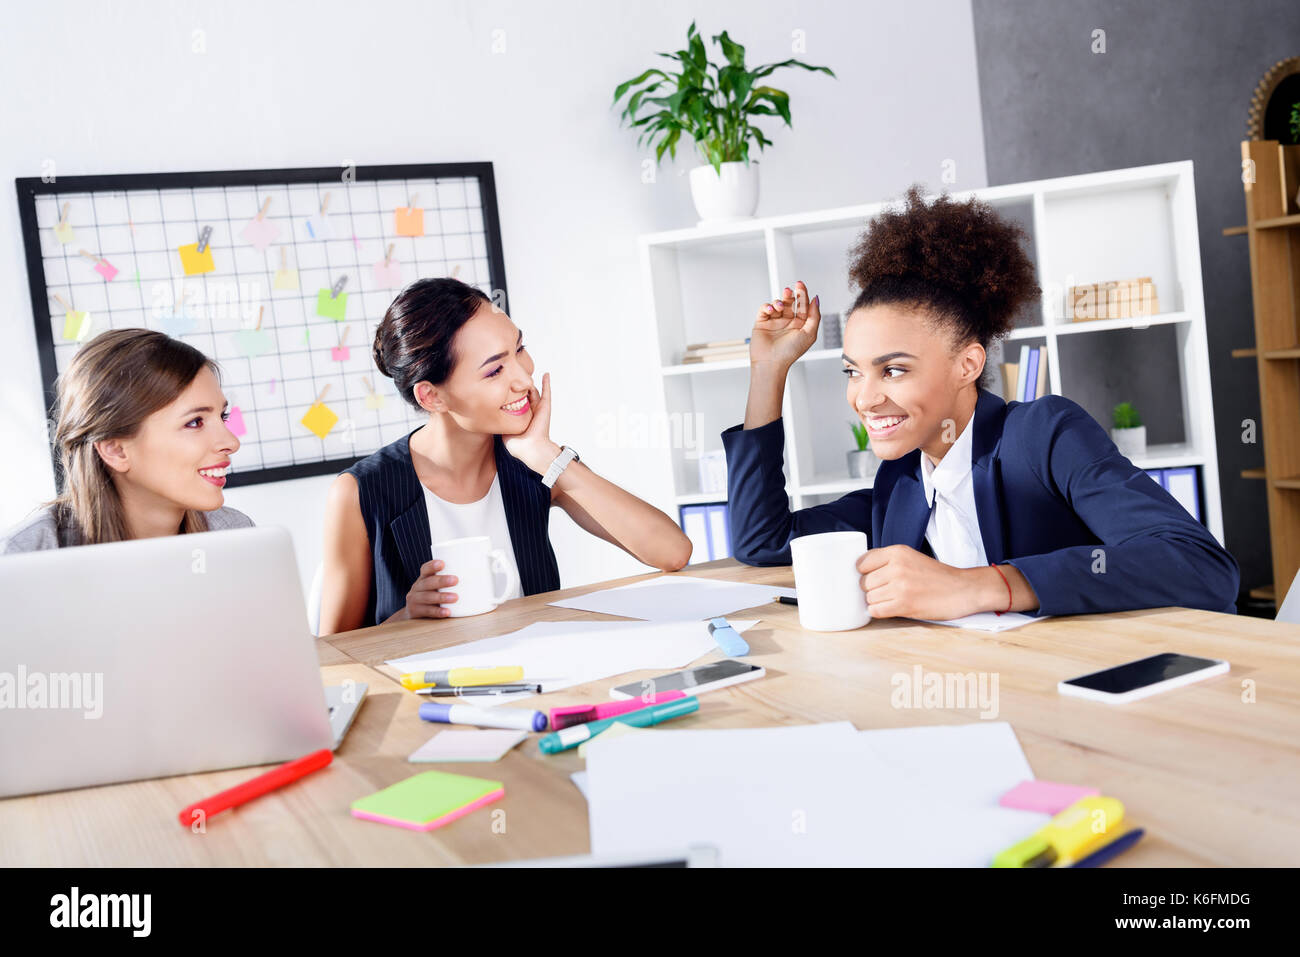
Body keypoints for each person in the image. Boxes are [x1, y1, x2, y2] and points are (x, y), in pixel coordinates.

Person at [723, 186, 1238, 619]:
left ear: (967, 365)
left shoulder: (1043, 435)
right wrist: (768, 372)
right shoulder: (900, 481)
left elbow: (1201, 567)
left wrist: (978, 585)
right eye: (853, 372)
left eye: (894, 369)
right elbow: (763, 542)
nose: (866, 397)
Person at [320, 277, 692, 632]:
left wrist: (546, 456)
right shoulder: (362, 491)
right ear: (432, 396)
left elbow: (672, 552)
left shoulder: (534, 464)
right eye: (495, 369)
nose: (524, 379)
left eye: (520, 349)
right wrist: (406, 618)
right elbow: (334, 656)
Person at [1, 328, 251, 553]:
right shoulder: (24, 556)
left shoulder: (236, 535)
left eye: (223, 416)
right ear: (115, 450)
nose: (231, 442)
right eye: (195, 422)